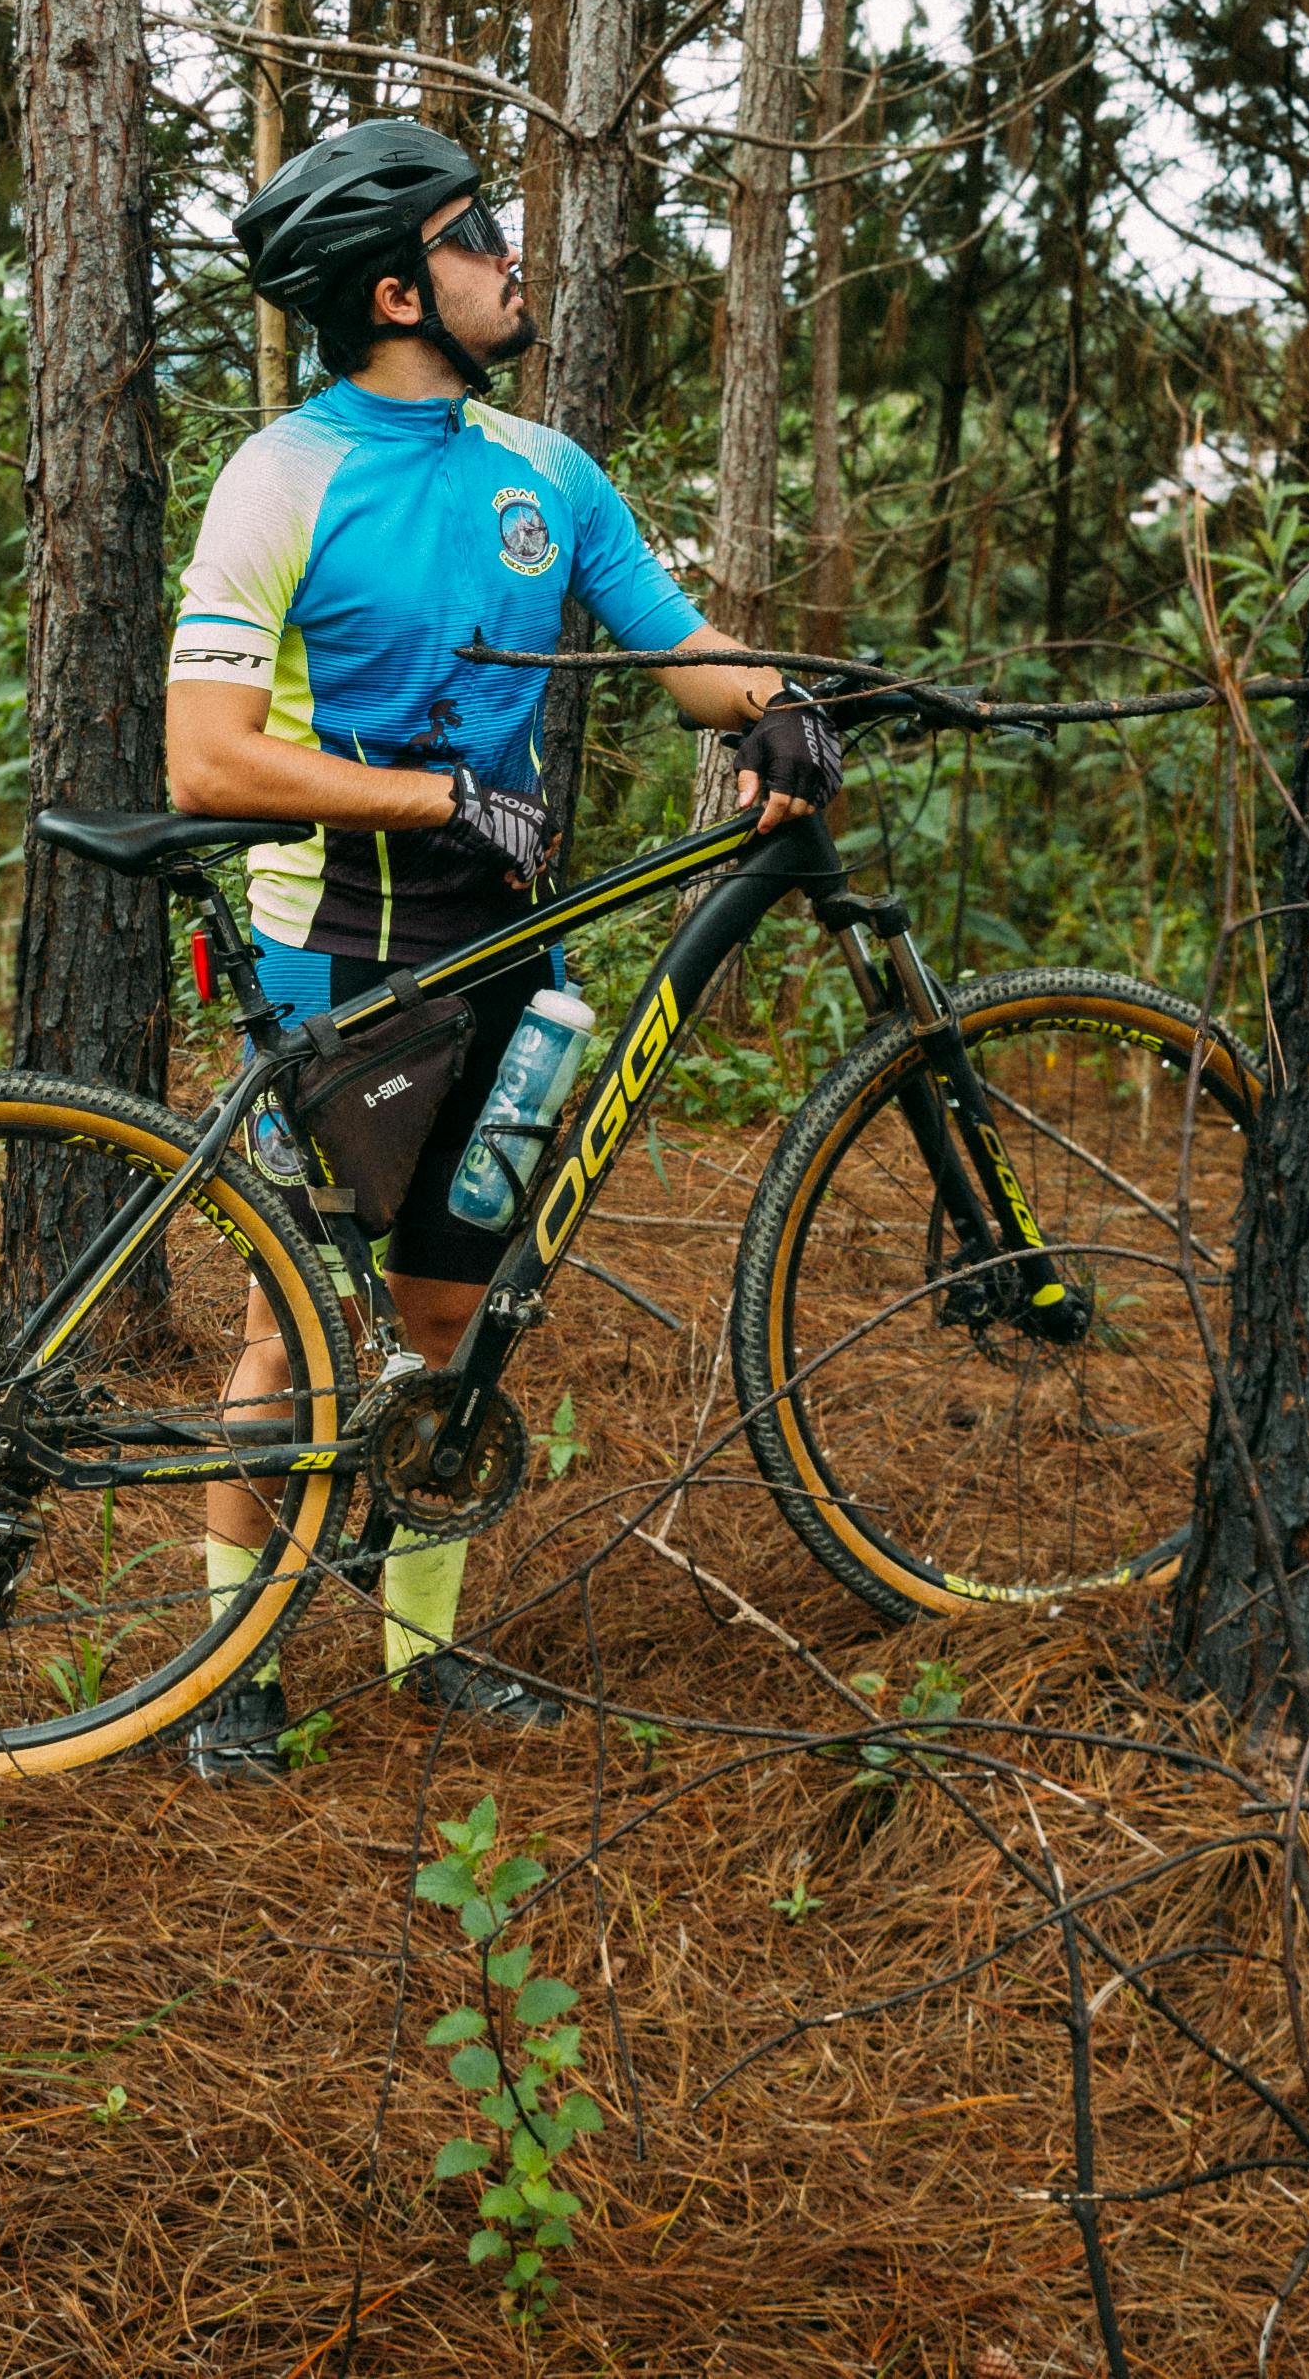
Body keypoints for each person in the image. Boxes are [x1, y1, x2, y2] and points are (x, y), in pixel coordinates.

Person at [166, 115, 844, 1785]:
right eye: (481, 239)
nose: (510, 262)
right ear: (399, 288)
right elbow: (205, 758)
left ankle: (426, 1656)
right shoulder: (283, 476)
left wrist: (782, 703)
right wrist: (425, 797)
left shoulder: (550, 472)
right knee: (286, 1336)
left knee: (450, 1329)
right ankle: (225, 1668)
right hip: (334, 953)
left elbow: (682, 649)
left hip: (515, 961)